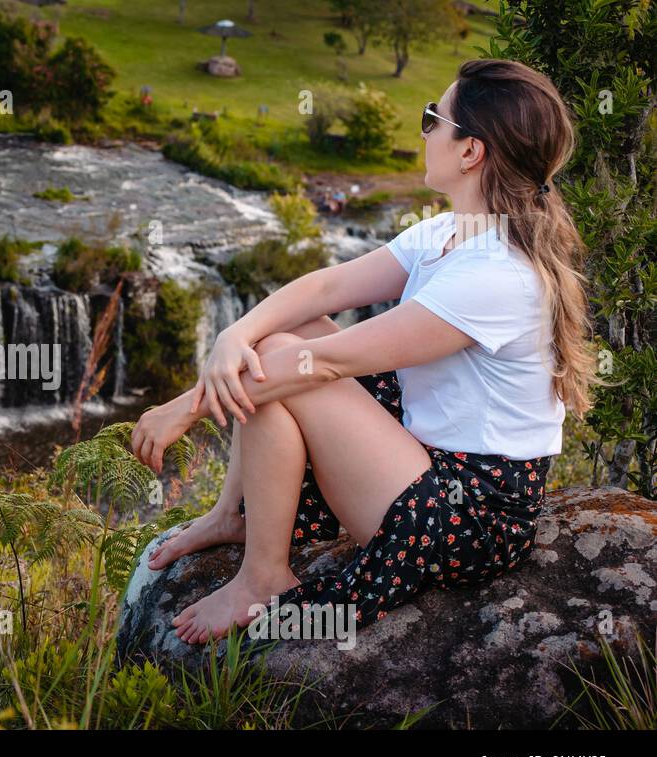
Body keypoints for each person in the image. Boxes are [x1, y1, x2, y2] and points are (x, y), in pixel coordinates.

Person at [129, 58, 598, 649]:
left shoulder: (496, 275)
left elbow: (323, 364)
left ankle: (262, 576)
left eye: (434, 118)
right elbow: (325, 289)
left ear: (470, 151)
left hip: (470, 510)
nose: (423, 129)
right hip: (425, 449)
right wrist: (232, 336)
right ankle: (233, 515)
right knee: (285, 334)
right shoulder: (449, 233)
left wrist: (187, 408)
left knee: (290, 367)